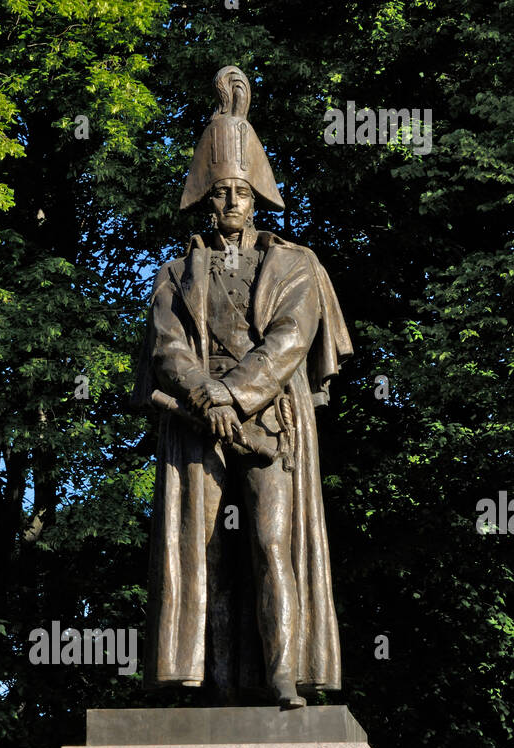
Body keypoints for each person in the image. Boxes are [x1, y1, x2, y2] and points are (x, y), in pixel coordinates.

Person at [134, 66, 353, 708]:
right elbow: (168, 350)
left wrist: (232, 397)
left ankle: (283, 674)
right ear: (206, 198)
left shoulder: (296, 265)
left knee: (269, 543)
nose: (231, 202)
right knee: (202, 555)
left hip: (270, 425)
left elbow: (288, 343)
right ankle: (206, 680)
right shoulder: (175, 274)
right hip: (199, 426)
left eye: (241, 191)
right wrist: (206, 400)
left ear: (257, 195)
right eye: (221, 192)